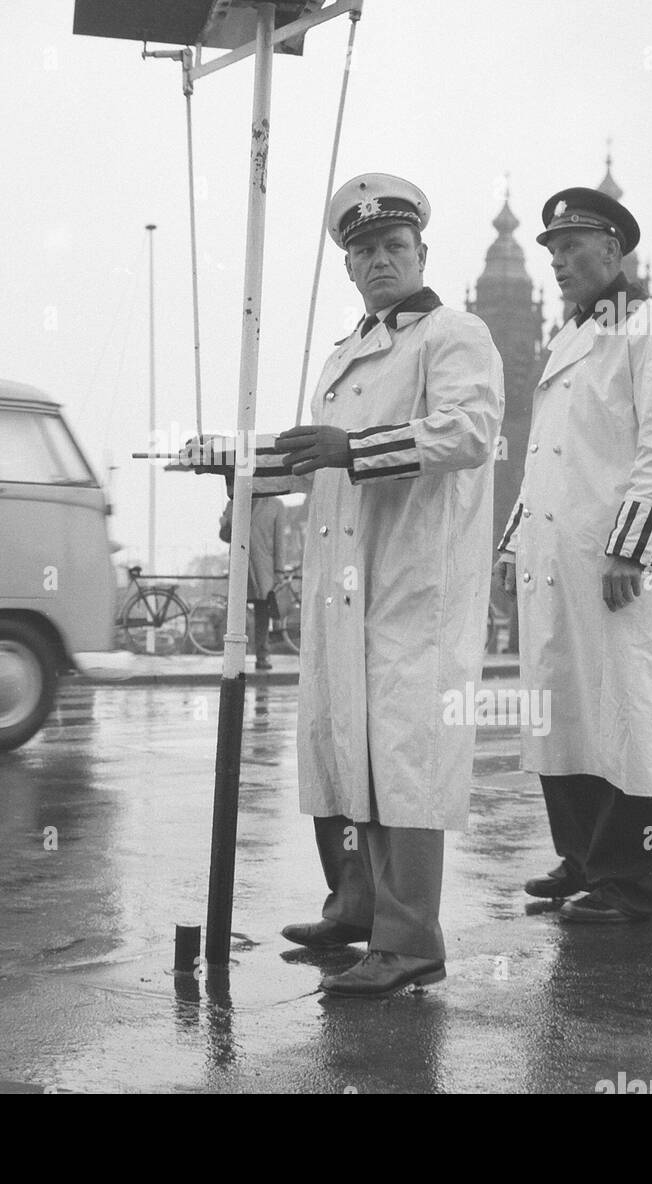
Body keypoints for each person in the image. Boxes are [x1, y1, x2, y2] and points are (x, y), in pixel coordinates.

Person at [185, 173, 504, 996]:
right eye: (364, 252)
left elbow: (468, 432)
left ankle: (411, 941)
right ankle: (354, 904)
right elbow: (316, 456)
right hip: (341, 586)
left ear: (421, 252)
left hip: (410, 586)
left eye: (394, 247)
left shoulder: (453, 333)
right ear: (350, 266)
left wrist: (355, 450)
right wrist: (246, 476)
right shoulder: (344, 353)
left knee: (403, 755)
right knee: (338, 743)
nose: (379, 262)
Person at [495, 186, 652, 923]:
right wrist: (515, 539)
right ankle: (585, 858)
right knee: (563, 710)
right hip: (559, 558)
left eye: (570, 247)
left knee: (631, 714)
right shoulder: (568, 338)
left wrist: (633, 548)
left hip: (620, 564)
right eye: (551, 250)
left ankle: (633, 883)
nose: (557, 260)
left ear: (613, 251)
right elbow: (545, 456)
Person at [218, 495, 282, 670]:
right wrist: (224, 524)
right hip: (241, 566)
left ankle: (263, 655)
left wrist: (279, 571)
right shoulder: (234, 502)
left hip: (264, 567)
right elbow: (226, 536)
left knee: (263, 614)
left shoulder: (275, 505)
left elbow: (279, 541)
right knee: (237, 616)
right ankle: (235, 657)